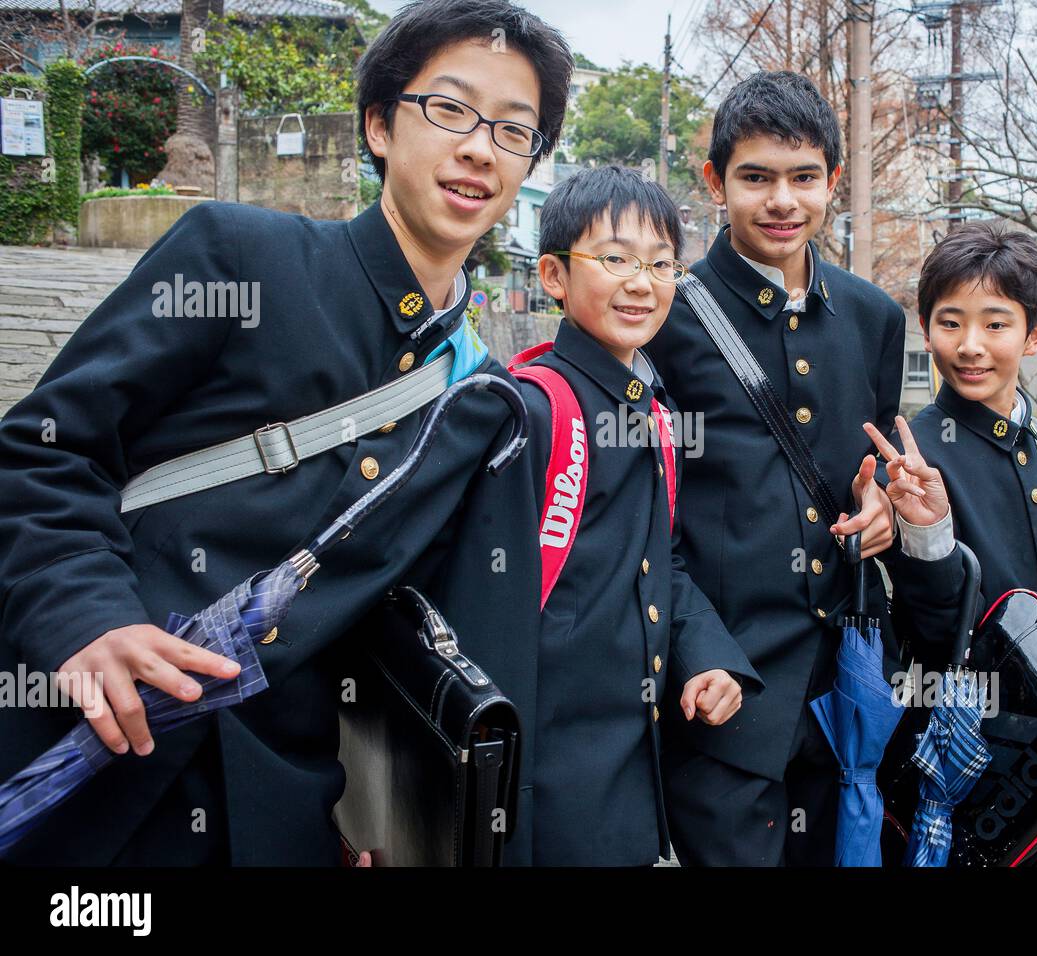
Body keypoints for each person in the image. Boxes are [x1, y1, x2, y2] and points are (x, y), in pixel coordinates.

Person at [0, 0, 573, 865]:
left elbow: (440, 638)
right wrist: (86, 619)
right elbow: (43, 451)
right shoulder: (240, 257)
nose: (479, 147)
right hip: (83, 753)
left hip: (278, 813)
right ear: (380, 125)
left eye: (514, 130)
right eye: (449, 109)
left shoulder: (487, 407)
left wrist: (399, 819)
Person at [410, 166, 761, 866]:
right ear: (553, 275)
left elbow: (661, 562)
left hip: (625, 779)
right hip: (528, 782)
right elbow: (459, 592)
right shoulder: (521, 410)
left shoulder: (654, 417)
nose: (641, 282)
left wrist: (707, 657)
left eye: (662, 264)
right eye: (615, 259)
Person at [644, 71, 916, 866]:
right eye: (755, 177)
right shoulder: (666, 316)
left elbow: (879, 465)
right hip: (723, 693)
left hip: (848, 690)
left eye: (803, 177)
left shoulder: (875, 318)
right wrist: (697, 654)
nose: (781, 201)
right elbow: (638, 517)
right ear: (715, 184)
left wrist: (887, 511)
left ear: (833, 181)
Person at [868, 220, 1037, 866]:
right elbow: (932, 631)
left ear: (1035, 335)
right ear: (926, 327)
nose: (970, 346)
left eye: (996, 323)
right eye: (950, 322)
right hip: (983, 752)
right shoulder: (912, 458)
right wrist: (928, 531)